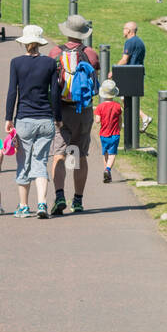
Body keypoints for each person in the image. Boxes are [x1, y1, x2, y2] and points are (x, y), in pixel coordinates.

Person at [5, 24, 61, 219]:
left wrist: (8, 118)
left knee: (23, 163)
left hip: (24, 119)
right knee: (40, 163)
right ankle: (42, 203)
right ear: (40, 43)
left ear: (25, 42)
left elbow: (13, 91)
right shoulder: (49, 63)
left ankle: (23, 206)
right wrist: (58, 117)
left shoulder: (16, 63)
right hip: (45, 118)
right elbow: (54, 92)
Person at [47, 14, 101, 216]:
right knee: (79, 153)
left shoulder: (55, 52)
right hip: (83, 109)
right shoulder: (91, 54)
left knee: (59, 153)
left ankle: (59, 194)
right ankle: (77, 199)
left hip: (61, 109)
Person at [116, 21, 151, 133]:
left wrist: (114, 70)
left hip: (130, 73)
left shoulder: (129, 42)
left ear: (129, 30)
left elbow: (125, 59)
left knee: (125, 97)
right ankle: (134, 120)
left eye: (124, 28)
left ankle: (143, 117)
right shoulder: (140, 42)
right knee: (127, 98)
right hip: (139, 73)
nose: (123, 31)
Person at [94, 79, 123, 183]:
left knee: (105, 153)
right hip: (115, 134)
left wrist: (99, 116)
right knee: (112, 154)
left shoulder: (100, 107)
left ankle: (105, 170)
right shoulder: (117, 106)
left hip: (103, 134)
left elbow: (97, 121)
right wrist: (119, 128)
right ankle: (108, 170)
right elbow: (120, 119)